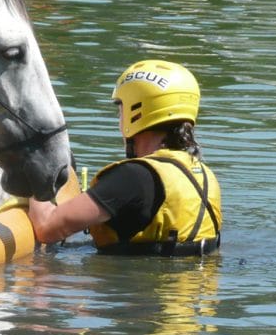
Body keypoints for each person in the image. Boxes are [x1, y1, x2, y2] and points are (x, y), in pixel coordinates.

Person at [28, 60, 222, 256]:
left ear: (135, 112)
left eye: (120, 109)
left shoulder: (133, 177)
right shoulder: (203, 174)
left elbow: (47, 227)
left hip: (137, 284)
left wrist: (32, 170)